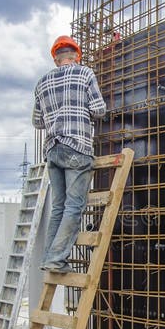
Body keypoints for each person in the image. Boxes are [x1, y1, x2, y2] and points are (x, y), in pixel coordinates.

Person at [32, 34, 107, 273]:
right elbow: (99, 109)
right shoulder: (84, 73)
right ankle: (56, 259)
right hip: (77, 147)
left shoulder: (41, 83)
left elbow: (37, 122)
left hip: (52, 150)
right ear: (76, 56)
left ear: (56, 59)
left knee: (59, 207)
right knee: (74, 206)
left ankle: (49, 258)